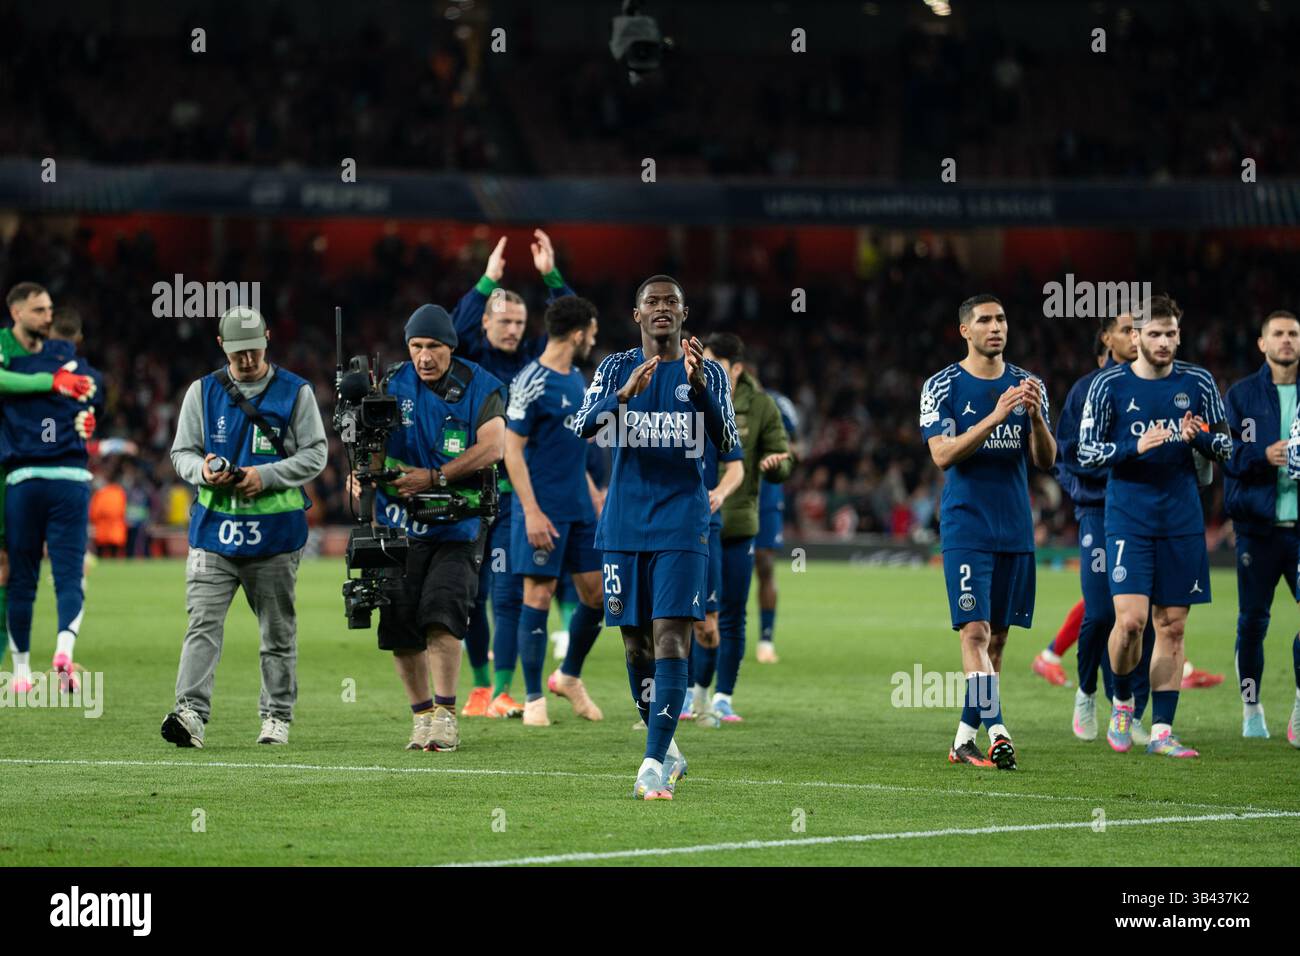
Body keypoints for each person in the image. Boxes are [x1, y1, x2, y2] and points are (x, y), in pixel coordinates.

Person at [571, 275, 739, 799]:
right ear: (638, 314)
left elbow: (728, 440)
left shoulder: (707, 371)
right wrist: (622, 398)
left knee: (670, 636)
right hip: (623, 523)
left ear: (684, 314)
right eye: (653, 302)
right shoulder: (616, 368)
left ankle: (649, 763)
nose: (662, 308)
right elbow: (585, 427)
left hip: (682, 524)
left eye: (672, 302)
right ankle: (665, 747)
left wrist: (703, 394)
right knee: (634, 644)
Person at [162, 306, 327, 748]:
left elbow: (316, 453)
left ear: (268, 340)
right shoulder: (202, 392)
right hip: (213, 534)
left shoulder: (296, 392)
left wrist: (265, 476)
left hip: (274, 539)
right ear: (222, 347)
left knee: (277, 631)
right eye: (238, 353)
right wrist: (204, 470)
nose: (248, 360)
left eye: (254, 350)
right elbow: (182, 454)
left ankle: (276, 715)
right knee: (202, 624)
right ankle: (190, 713)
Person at [1078, 294, 1232, 758]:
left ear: (1178, 335)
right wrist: (1133, 446)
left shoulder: (1199, 382)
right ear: (1136, 336)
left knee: (1174, 627)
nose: (1164, 342)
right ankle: (1122, 699)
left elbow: (1227, 446)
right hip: (1128, 516)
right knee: (1130, 622)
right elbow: (1085, 453)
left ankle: (1162, 729)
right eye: (1154, 333)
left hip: (1182, 516)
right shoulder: (1108, 386)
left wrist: (1200, 437)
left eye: (1171, 334)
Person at [920, 294, 1055, 770]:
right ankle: (998, 730)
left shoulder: (1027, 385)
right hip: (966, 527)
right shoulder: (941, 386)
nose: (995, 327)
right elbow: (942, 453)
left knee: (997, 639)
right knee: (974, 632)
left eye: (1001, 318)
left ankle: (962, 738)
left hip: (1015, 529)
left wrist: (1035, 418)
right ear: (965, 331)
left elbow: (1046, 460)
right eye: (984, 320)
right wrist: (995, 417)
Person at [365, 304, 506, 752]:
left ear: (451, 347)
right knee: (400, 624)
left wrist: (436, 476)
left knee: (442, 613)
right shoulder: (391, 382)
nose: (424, 356)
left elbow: (494, 446)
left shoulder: (481, 385)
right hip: (399, 524)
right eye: (416, 346)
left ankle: (446, 714)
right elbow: (372, 443)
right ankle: (421, 717)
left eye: (433, 347)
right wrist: (362, 471)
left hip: (458, 525)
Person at [450, 230, 576, 716]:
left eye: (520, 322)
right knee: (469, 597)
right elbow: (454, 331)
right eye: (504, 321)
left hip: (512, 494)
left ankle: (502, 690)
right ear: (486, 323)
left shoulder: (534, 363)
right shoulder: (471, 360)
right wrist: (488, 281)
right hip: (468, 491)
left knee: (505, 592)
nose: (513, 329)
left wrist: (551, 276)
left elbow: (571, 325)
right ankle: (480, 685)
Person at [1044, 313, 1155, 745]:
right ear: (1106, 339)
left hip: (1145, 514)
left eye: (1140, 329)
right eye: (1127, 329)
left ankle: (1129, 710)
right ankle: (1087, 692)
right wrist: (1081, 492)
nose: (1135, 336)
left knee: (1140, 621)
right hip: (1099, 512)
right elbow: (1061, 451)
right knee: (1102, 612)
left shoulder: (1157, 389)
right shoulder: (1087, 389)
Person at [502, 296, 606, 725]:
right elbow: (511, 450)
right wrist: (529, 511)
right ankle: (532, 699)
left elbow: (572, 452)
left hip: (579, 508)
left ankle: (568, 676)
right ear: (579, 333)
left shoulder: (578, 380)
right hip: (541, 510)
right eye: (593, 334)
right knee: (538, 595)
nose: (593, 341)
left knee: (599, 596)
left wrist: (593, 499)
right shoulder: (530, 381)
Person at [688, 332, 793, 722]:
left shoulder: (762, 406)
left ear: (735, 368)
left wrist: (777, 466)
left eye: (712, 362)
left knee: (731, 613)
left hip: (738, 522)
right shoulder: (688, 394)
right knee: (690, 612)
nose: (702, 368)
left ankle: (723, 697)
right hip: (693, 523)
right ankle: (687, 692)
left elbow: (784, 457)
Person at [1, 306, 104, 694]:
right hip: (70, 480)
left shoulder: (23, 369)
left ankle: (22, 673)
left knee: (21, 580)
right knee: (69, 576)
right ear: (77, 340)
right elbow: (95, 413)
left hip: (23, 480)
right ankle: (64, 651)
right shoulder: (90, 375)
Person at [1223, 310, 1300, 742]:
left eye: (1293, 333)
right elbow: (1224, 452)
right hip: (1258, 528)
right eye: (1279, 334)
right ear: (1262, 344)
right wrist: (1262, 456)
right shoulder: (1241, 397)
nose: (1286, 340)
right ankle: (1252, 709)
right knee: (1253, 624)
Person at [753, 388, 800, 664]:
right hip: (727, 494)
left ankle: (766, 640)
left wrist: (776, 452)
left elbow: (799, 447)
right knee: (719, 570)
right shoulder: (714, 395)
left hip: (767, 496)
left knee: (766, 564)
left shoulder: (778, 403)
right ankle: (715, 637)